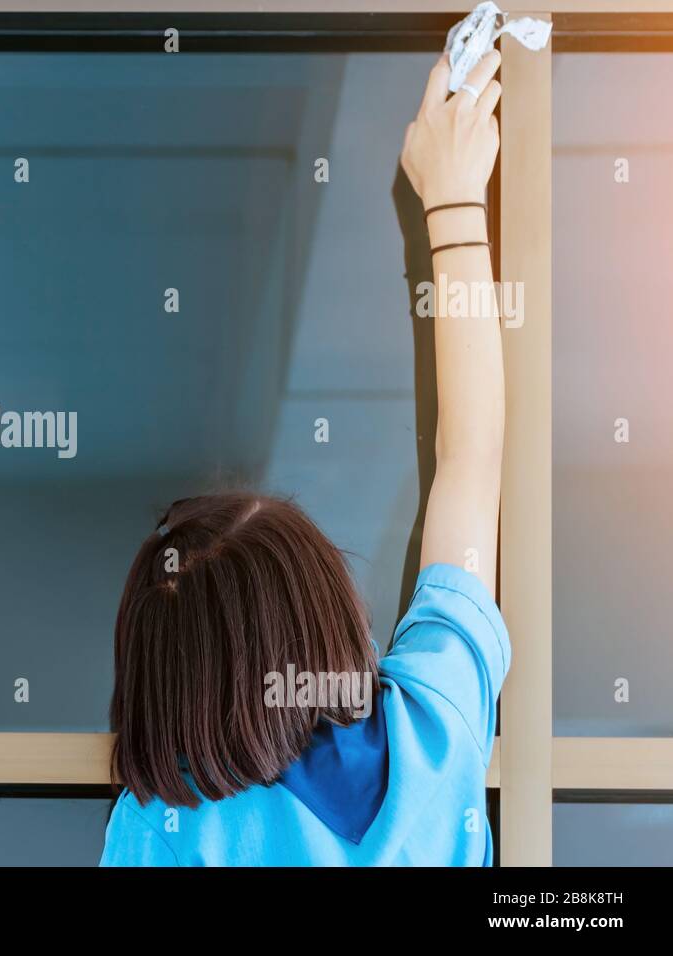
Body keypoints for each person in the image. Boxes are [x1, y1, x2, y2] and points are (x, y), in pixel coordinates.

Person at [101, 49, 509, 865]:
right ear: (333, 611)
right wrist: (455, 199)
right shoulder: (434, 720)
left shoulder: (161, 828)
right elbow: (470, 455)